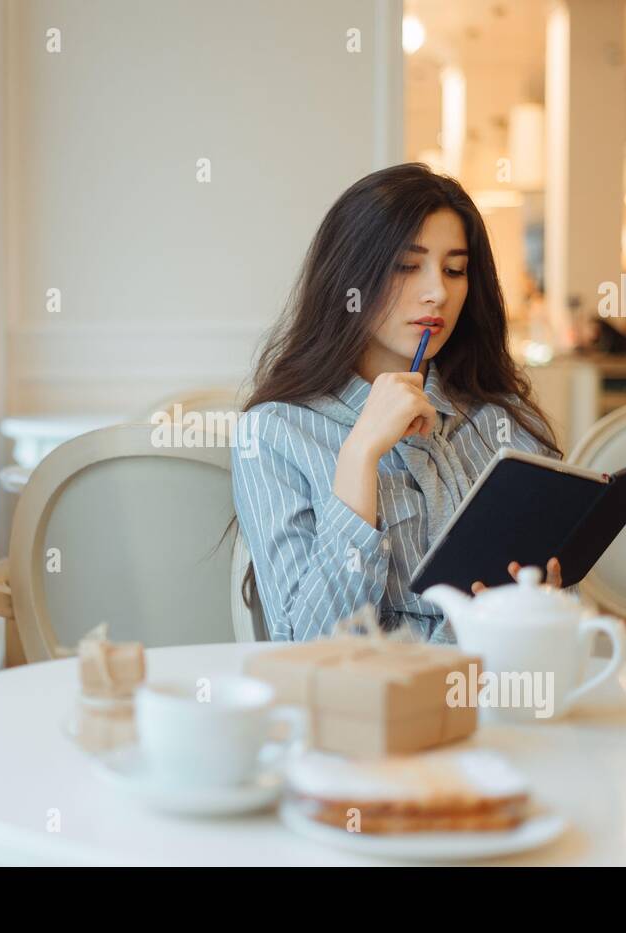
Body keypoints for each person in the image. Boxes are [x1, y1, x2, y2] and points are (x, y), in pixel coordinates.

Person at [231, 163, 566, 644]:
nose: (438, 292)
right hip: (372, 710)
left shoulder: (500, 418)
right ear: (349, 278)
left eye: (455, 270)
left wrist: (547, 598)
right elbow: (310, 645)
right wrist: (360, 451)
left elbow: (564, 606)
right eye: (407, 267)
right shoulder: (274, 434)